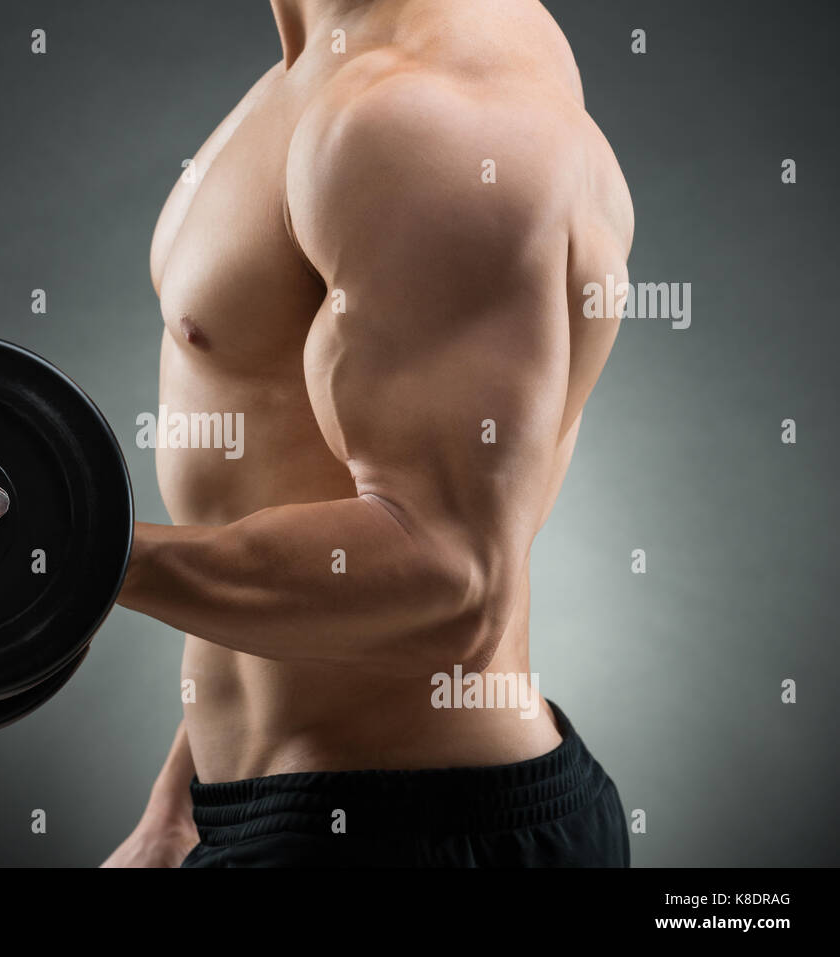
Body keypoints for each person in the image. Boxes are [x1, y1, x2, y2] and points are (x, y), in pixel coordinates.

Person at [105, 0, 633, 867]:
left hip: (414, 833)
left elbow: (449, 579)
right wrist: (176, 813)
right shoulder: (312, 71)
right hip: (251, 815)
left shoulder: (432, 109)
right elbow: (276, 492)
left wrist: (95, 559)